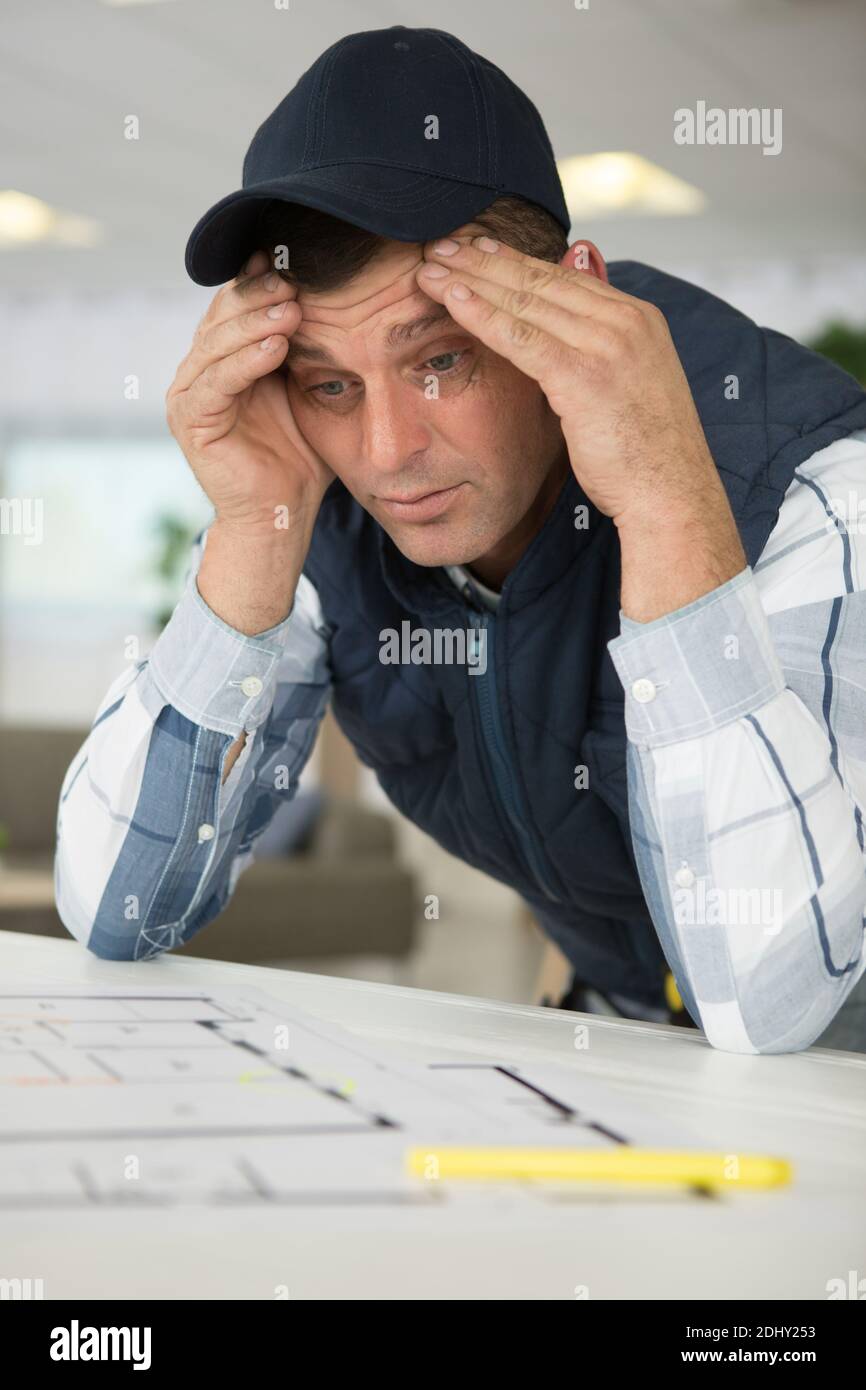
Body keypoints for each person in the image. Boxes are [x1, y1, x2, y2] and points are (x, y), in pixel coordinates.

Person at [55, 26, 866, 1055]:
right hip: (630, 1058)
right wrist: (254, 530)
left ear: (572, 296)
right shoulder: (317, 493)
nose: (387, 452)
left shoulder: (810, 492)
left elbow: (772, 1001)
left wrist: (666, 503)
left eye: (440, 358)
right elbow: (117, 913)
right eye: (329, 383)